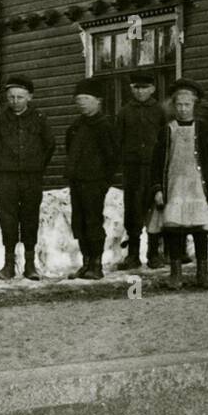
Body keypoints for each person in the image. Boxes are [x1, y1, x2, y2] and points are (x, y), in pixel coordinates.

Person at [151, 79, 208, 289]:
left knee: (200, 230)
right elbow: (156, 164)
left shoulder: (205, 130)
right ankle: (176, 274)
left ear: (194, 106)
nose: (183, 109)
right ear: (174, 106)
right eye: (179, 105)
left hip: (198, 187)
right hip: (174, 187)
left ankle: (203, 273)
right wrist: (157, 189)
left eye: (187, 105)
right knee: (175, 230)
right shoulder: (167, 131)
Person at [0, 74, 55, 281]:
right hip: (6, 178)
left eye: (19, 97)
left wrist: (36, 167)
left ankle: (30, 265)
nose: (15, 102)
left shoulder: (40, 119)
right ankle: (9, 265)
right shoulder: (0, 120)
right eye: (11, 97)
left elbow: (49, 146)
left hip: (31, 177)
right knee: (7, 219)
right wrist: (0, 166)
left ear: (29, 97)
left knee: (29, 217)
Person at [66, 78, 119, 280]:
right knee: (79, 223)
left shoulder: (105, 126)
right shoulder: (75, 126)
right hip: (76, 181)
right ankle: (85, 262)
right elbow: (70, 149)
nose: (81, 103)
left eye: (86, 98)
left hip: (95, 182)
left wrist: (104, 182)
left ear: (98, 101)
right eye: (78, 99)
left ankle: (96, 265)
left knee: (93, 221)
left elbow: (113, 158)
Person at [116, 73, 166, 270]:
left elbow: (165, 139)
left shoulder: (160, 111)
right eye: (136, 87)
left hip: (155, 169)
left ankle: (154, 253)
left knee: (155, 209)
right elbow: (118, 140)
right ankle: (133, 255)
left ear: (152, 89)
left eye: (144, 87)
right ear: (131, 89)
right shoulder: (125, 112)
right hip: (133, 170)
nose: (140, 91)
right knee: (133, 211)